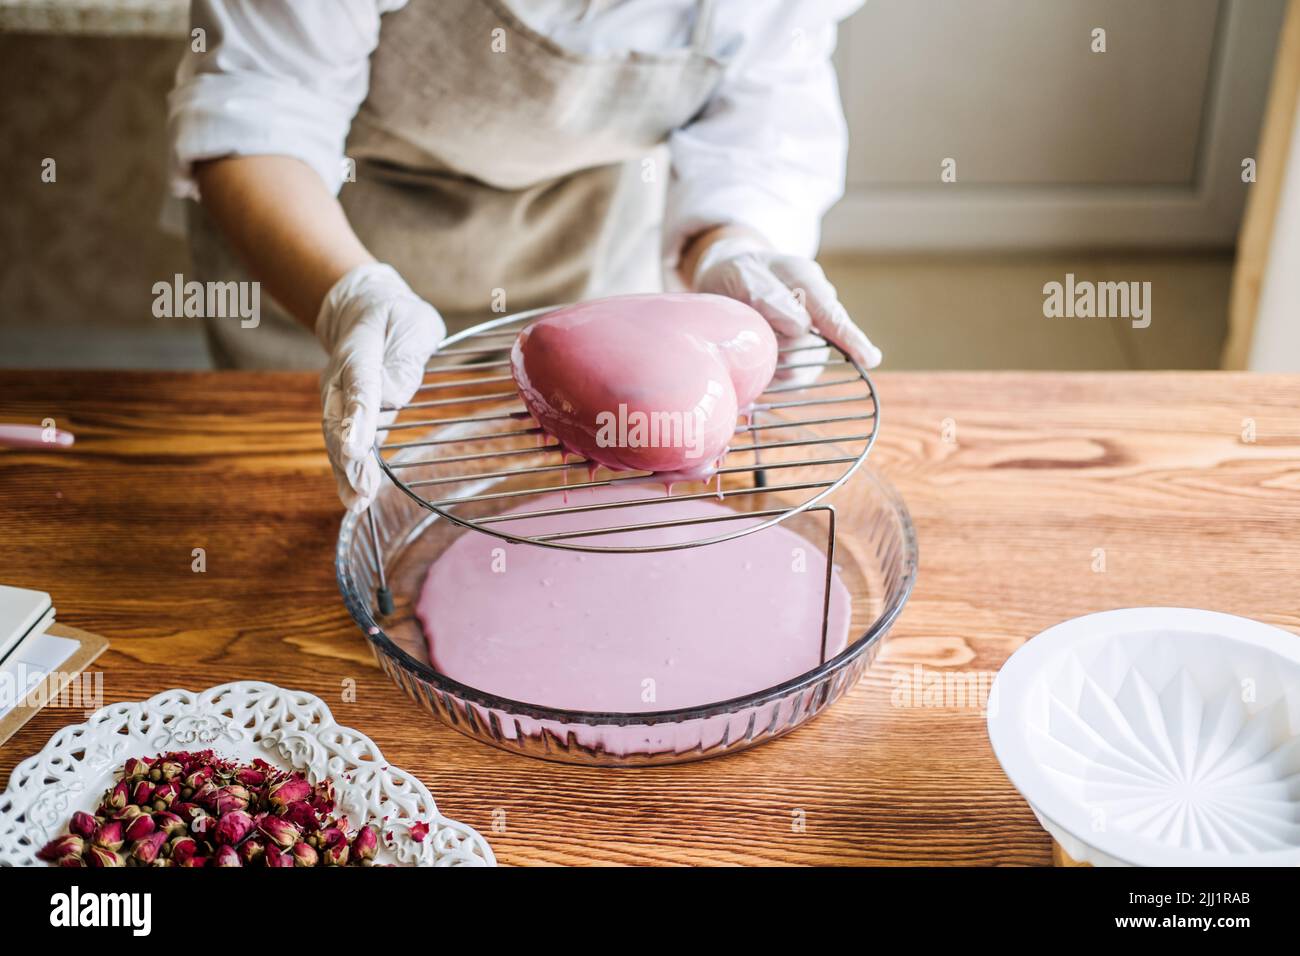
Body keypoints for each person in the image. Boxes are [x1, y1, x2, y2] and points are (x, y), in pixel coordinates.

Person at [168, 0, 881, 511]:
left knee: (560, 513)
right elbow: (261, 101)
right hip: (326, 240)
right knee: (316, 512)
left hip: (586, 248)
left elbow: (756, 133)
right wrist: (350, 296)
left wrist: (732, 243)